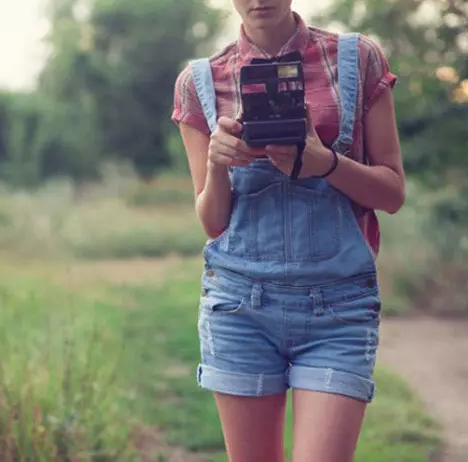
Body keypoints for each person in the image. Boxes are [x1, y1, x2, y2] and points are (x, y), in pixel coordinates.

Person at [171, 1, 405, 461]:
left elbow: (392, 193)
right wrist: (219, 165)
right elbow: (213, 221)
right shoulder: (199, 81)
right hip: (241, 307)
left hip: (337, 308)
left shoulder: (357, 59)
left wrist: (327, 163)